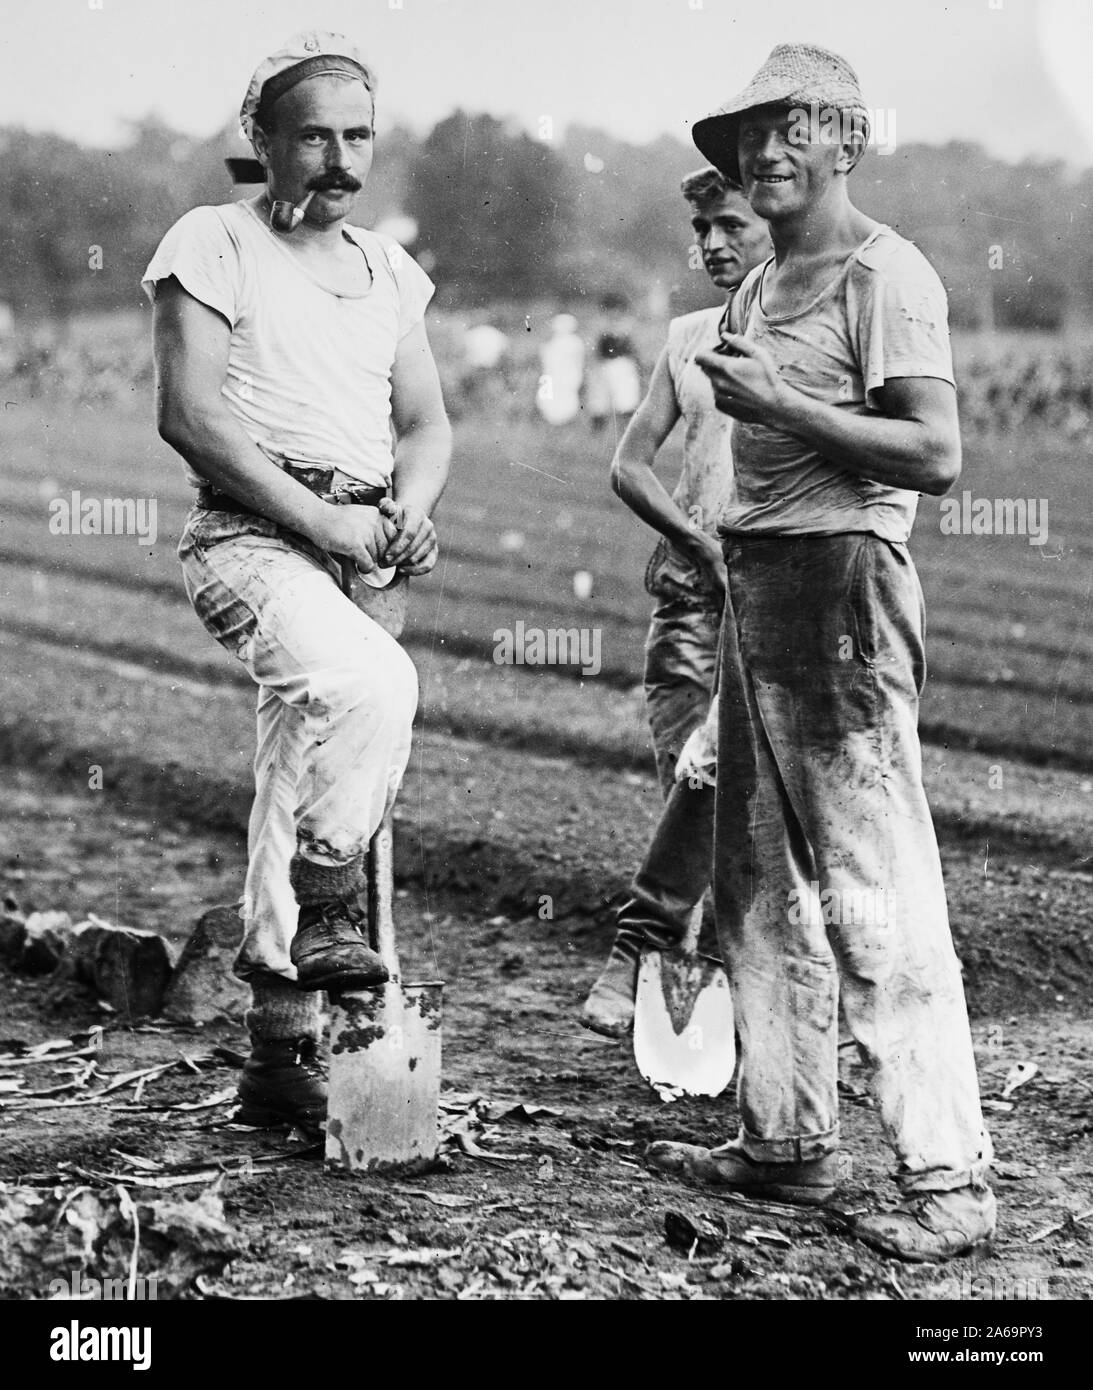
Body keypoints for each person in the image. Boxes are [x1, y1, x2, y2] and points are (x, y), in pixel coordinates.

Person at [645, 44, 996, 1263]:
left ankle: (949, 1177)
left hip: (842, 587)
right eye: (746, 137)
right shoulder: (758, 290)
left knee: (872, 890)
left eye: (789, 128)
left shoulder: (885, 275)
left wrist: (787, 411)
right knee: (754, 886)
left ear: (847, 136)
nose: (763, 154)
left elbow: (934, 453)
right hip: (756, 592)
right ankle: (787, 1138)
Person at [142, 31, 451, 1130]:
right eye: (311, 135)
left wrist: (407, 506)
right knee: (370, 691)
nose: (336, 158)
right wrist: (320, 515)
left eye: (355, 136)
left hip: (360, 547)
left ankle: (279, 1052)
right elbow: (191, 414)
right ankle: (328, 906)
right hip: (249, 539)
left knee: (297, 763)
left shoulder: (388, 272)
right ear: (260, 140)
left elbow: (423, 425)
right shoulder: (213, 241)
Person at [582, 168, 771, 1036]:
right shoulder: (688, 337)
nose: (713, 245)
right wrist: (698, 542)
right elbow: (628, 465)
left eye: (730, 224)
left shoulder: (802, 339)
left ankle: (652, 953)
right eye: (702, 230)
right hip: (693, 601)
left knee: (727, 792)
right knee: (687, 784)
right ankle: (682, 993)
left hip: (773, 603)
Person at [587, 295, 642, 431]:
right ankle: (598, 429)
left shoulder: (627, 325)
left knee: (627, 399)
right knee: (599, 401)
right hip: (604, 365)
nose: (614, 312)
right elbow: (594, 349)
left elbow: (635, 349)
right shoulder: (600, 326)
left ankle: (627, 430)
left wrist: (638, 366)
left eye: (616, 309)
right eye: (610, 309)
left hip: (623, 365)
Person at [537, 313, 585, 424]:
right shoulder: (552, 342)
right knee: (549, 402)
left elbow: (578, 362)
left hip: (567, 377)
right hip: (553, 376)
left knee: (567, 401)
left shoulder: (575, 342)